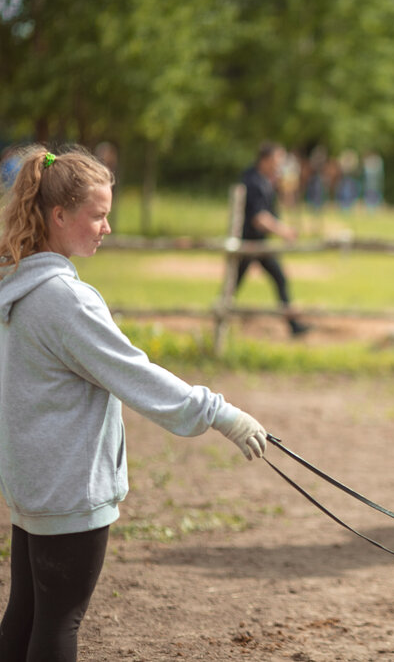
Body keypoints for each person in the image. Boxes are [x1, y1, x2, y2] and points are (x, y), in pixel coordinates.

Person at [0, 146, 269, 660]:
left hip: (32, 487)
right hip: (69, 491)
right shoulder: (64, 299)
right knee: (59, 623)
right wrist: (222, 414)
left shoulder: (15, 283)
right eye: (97, 215)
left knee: (27, 615)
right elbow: (134, 374)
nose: (105, 227)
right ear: (59, 216)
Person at [236, 141, 311, 338]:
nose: (281, 163)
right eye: (278, 158)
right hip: (249, 243)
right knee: (234, 283)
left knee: (279, 279)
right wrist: (284, 231)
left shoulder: (265, 180)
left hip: (260, 243)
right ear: (266, 159)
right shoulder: (252, 181)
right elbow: (259, 217)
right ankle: (219, 320)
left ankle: (293, 325)